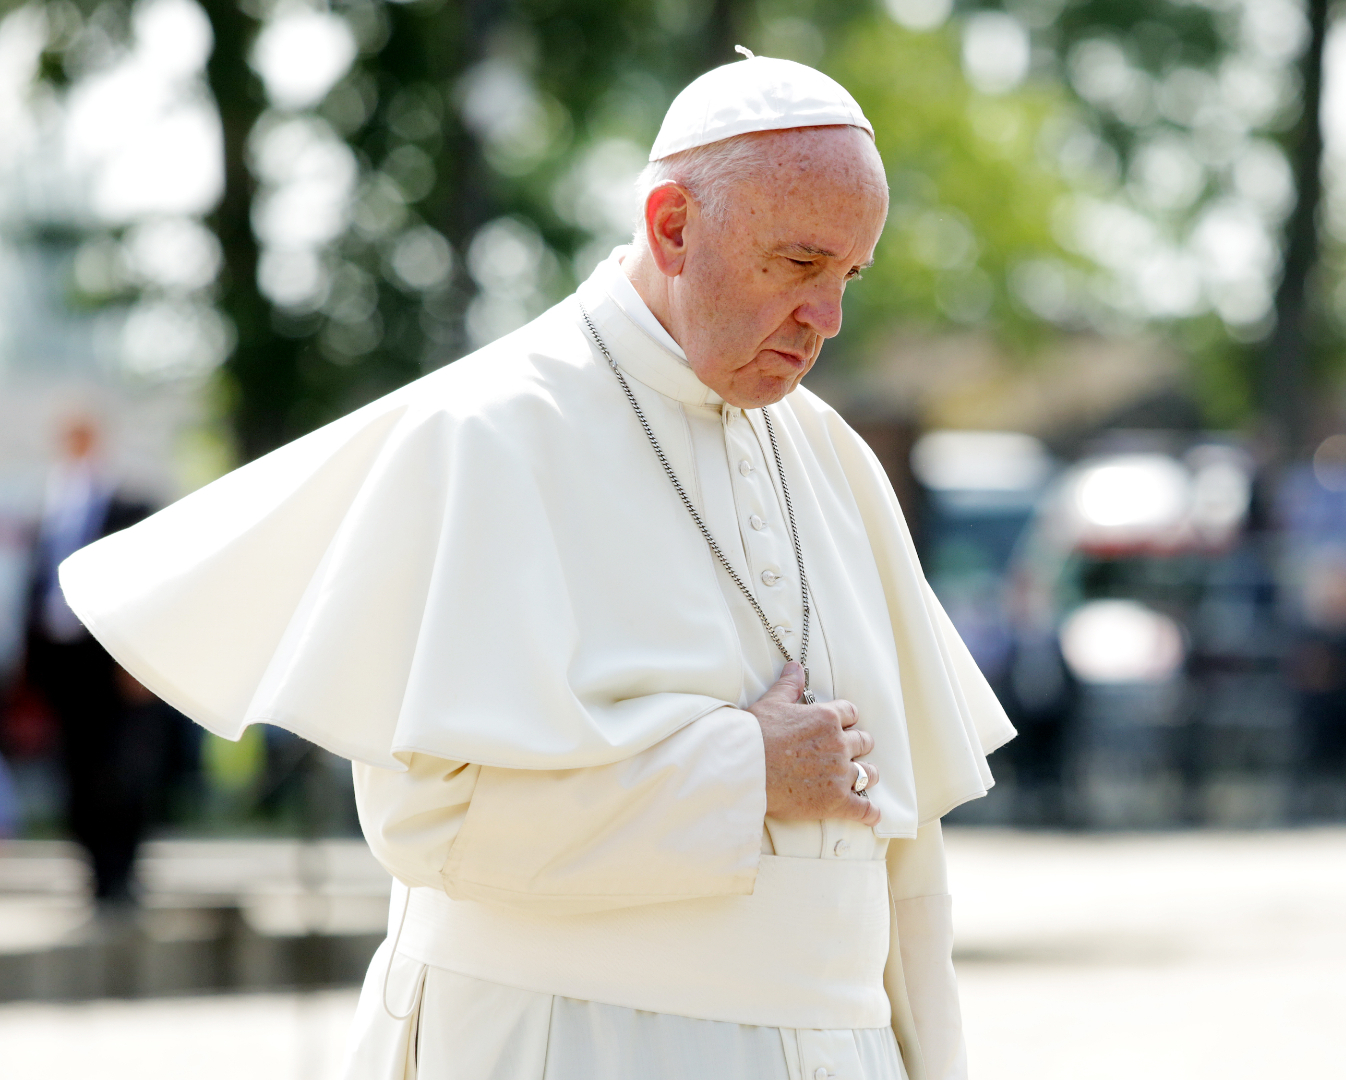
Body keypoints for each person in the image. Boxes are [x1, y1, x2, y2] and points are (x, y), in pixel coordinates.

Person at [60, 53, 1012, 1080]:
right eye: (796, 264)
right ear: (673, 228)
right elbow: (435, 821)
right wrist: (749, 772)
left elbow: (904, 870)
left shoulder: (835, 461)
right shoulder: (487, 434)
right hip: (573, 1041)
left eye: (847, 276)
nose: (826, 319)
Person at [19, 413, 159, 906]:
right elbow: (36, 591)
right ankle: (95, 875)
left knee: (120, 772)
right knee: (75, 772)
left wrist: (136, 661)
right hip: (64, 666)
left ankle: (123, 875)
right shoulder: (53, 508)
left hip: (112, 665)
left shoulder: (128, 504)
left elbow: (144, 585)